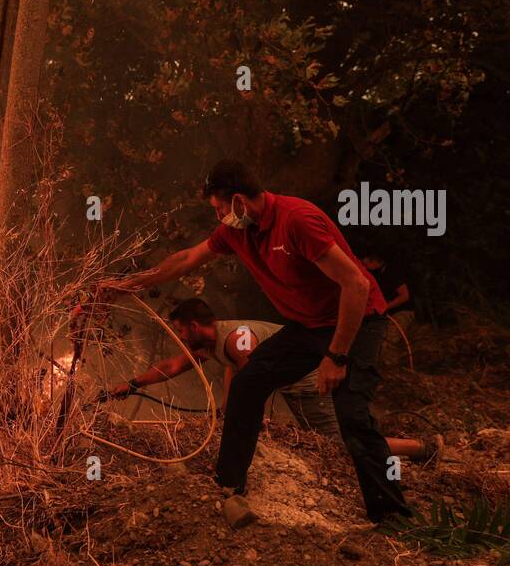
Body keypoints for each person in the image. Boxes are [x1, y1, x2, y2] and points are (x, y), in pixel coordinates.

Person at [96, 159, 411, 524]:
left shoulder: (298, 220)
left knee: (352, 415)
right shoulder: (236, 232)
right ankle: (229, 487)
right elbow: (186, 259)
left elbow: (356, 284)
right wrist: (124, 287)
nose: (218, 218)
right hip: (306, 326)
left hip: (355, 320)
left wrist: (336, 356)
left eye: (218, 209)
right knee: (248, 383)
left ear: (239, 202)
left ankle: (391, 515)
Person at [104, 297, 439, 461]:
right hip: (298, 385)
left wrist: (243, 415)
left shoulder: (237, 338)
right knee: (334, 442)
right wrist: (133, 384)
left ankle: (423, 448)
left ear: (192, 326)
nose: (178, 335)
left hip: (310, 382)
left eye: (179, 329)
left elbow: (255, 379)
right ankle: (409, 446)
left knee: (341, 444)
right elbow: (174, 365)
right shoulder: (212, 343)